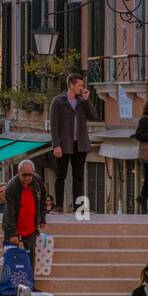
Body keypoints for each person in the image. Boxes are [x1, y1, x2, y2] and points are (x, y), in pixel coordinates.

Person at [49, 72, 98, 213]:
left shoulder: (82, 101)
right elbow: (54, 125)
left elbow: (93, 116)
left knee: (78, 176)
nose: (82, 88)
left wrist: (87, 100)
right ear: (71, 85)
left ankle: (79, 206)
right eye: (80, 85)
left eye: (83, 85)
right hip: (64, 144)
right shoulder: (58, 101)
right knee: (61, 176)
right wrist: (56, 145)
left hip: (80, 143)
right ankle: (58, 206)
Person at [1, 159, 47, 272]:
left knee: (30, 257)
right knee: (11, 256)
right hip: (14, 225)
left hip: (30, 226)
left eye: (30, 174)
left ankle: (30, 283)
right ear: (18, 172)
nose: (27, 178)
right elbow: (9, 212)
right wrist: (12, 233)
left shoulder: (37, 181)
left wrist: (42, 217)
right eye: (24, 175)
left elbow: (43, 199)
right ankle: (11, 283)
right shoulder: (11, 187)